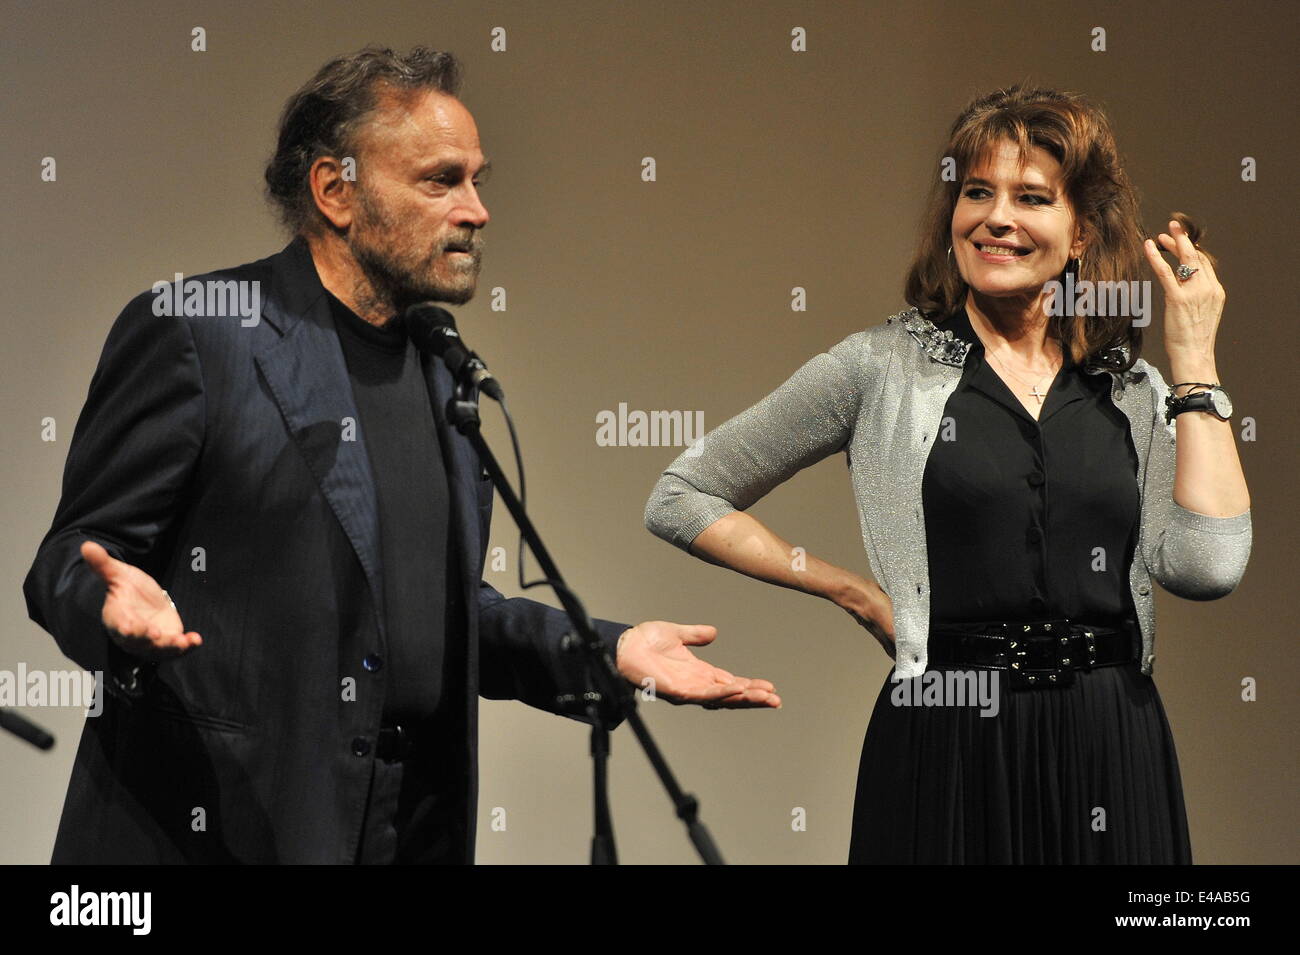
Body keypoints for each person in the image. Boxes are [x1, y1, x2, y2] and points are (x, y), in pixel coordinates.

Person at [23, 46, 780, 865]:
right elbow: (69, 559)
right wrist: (107, 610)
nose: (476, 210)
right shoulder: (200, 334)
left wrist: (608, 651)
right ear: (335, 191)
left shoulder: (440, 371)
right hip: (222, 831)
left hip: (407, 830)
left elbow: (446, 614)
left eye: (478, 179)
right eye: (440, 180)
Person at [644, 84, 1251, 864]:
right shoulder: (879, 367)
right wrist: (851, 589)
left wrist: (1194, 360)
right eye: (976, 192)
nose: (996, 216)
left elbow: (1208, 564)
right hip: (949, 731)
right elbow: (680, 494)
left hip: (1110, 743)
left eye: (1031, 196)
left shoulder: (1132, 391)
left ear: (1080, 235)